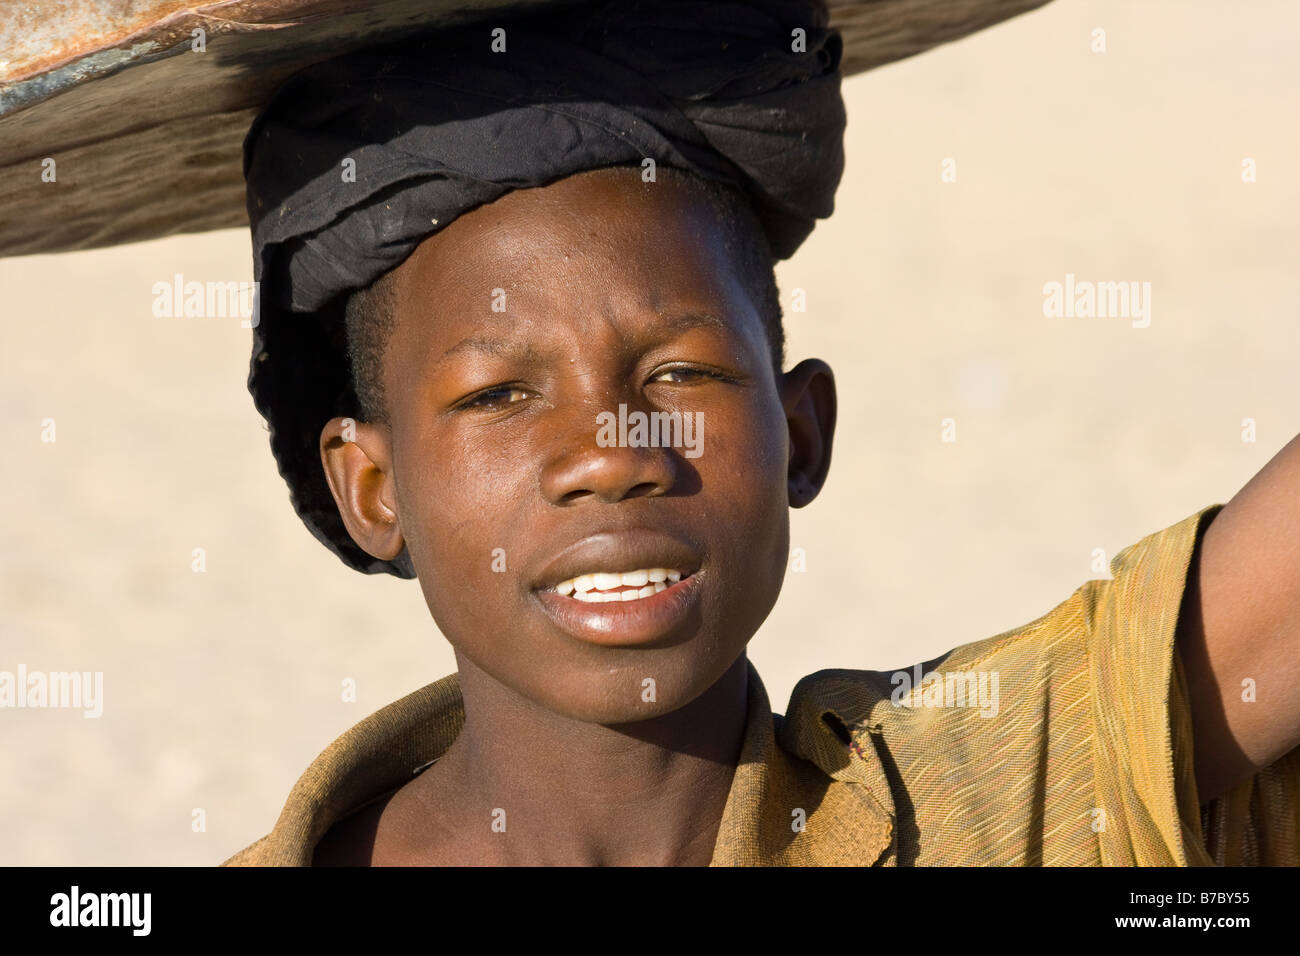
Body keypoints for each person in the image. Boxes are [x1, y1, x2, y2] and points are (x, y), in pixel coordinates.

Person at [223, 0, 1300, 866]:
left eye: (682, 372)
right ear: (374, 488)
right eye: (500, 393)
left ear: (801, 433)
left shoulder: (983, 800)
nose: (610, 450)